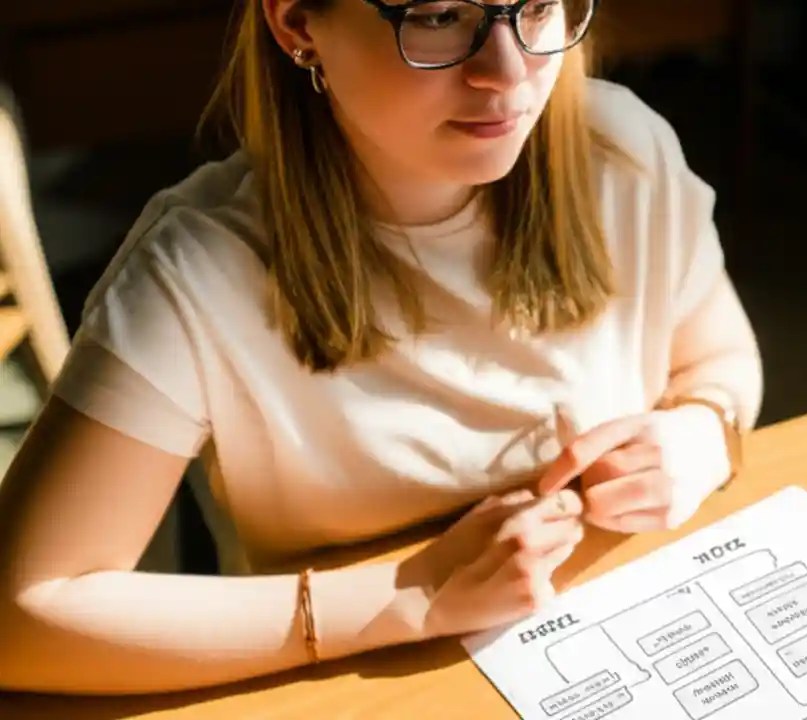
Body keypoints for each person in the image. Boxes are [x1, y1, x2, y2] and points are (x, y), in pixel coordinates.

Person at [0, 0, 762, 696]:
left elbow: (720, 363)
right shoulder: (196, 272)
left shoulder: (619, 150)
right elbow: (21, 617)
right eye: (437, 17)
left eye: (536, 7)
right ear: (297, 24)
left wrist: (701, 435)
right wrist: (411, 594)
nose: (507, 72)